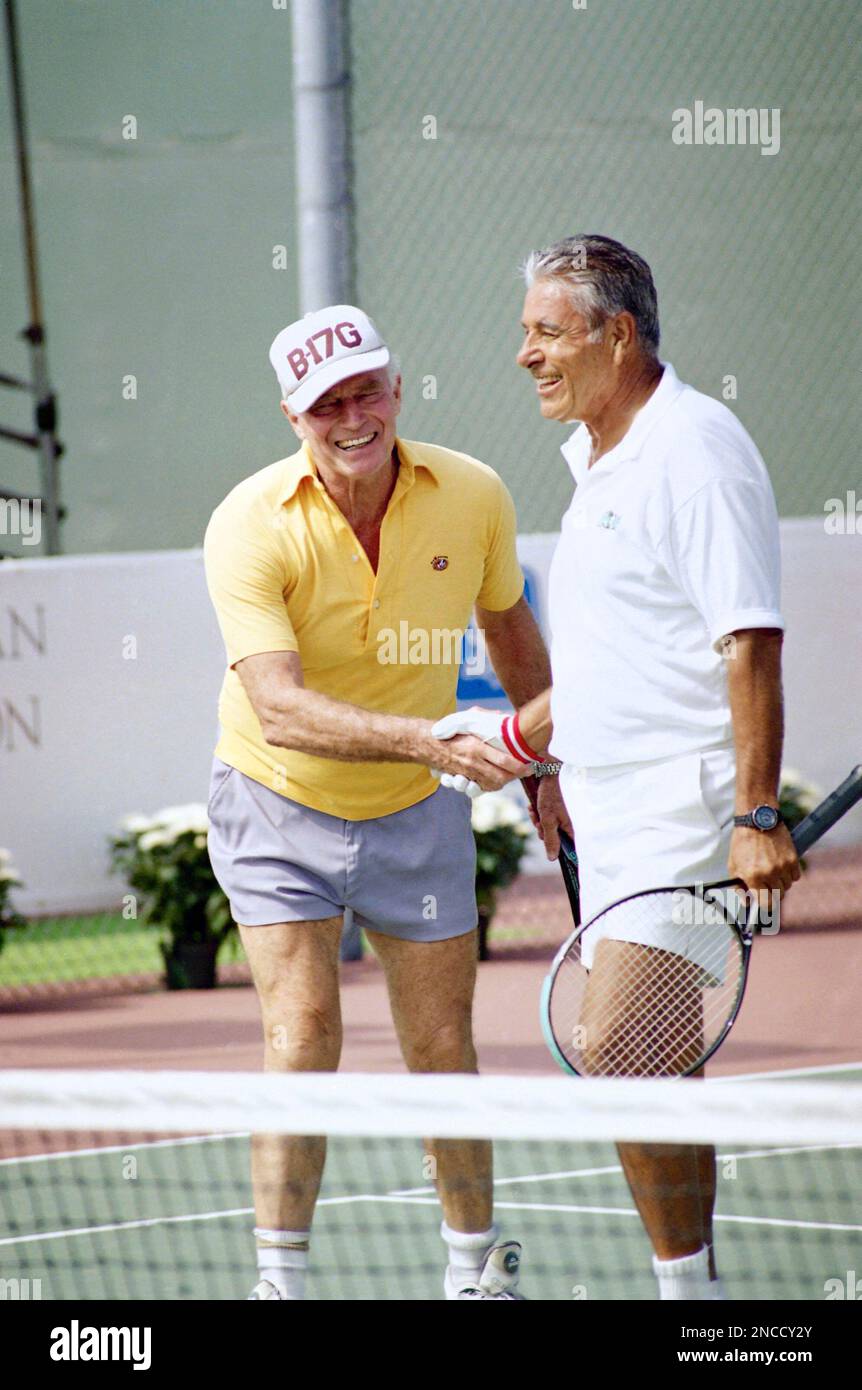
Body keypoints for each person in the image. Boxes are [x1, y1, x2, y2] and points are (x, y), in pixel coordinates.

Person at [433, 235, 800, 1301]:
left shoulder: (694, 447)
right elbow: (615, 664)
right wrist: (523, 752)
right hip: (608, 812)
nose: (525, 355)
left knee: (622, 1049)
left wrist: (756, 813)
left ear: (618, 335)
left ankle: (691, 1303)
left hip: (681, 811)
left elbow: (748, 641)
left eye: (547, 333)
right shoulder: (597, 457)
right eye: (526, 333)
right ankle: (695, 1300)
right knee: (654, 1066)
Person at [203, 302, 563, 1300]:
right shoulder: (246, 522)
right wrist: (432, 740)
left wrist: (546, 766)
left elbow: (509, 626)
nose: (353, 417)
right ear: (293, 416)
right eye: (327, 405)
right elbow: (277, 708)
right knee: (302, 1037)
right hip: (276, 802)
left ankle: (476, 1272)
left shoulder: (473, 494)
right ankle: (279, 1284)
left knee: (443, 1047)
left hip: (416, 808)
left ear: (398, 389)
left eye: (367, 392)